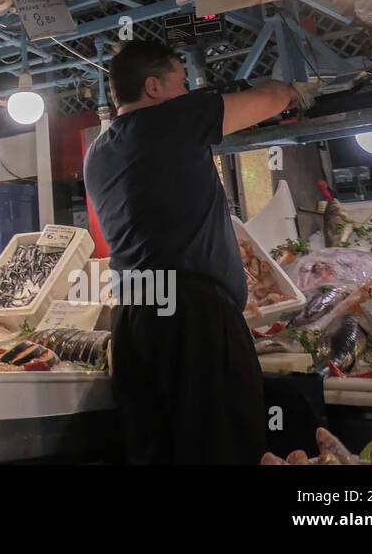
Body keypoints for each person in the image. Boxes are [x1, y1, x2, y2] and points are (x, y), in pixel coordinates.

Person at [82, 40, 306, 465]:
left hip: (134, 313)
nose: (188, 92)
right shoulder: (172, 119)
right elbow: (271, 99)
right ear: (153, 87)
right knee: (220, 444)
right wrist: (296, 87)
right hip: (191, 317)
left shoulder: (100, 150)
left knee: (156, 449)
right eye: (182, 82)